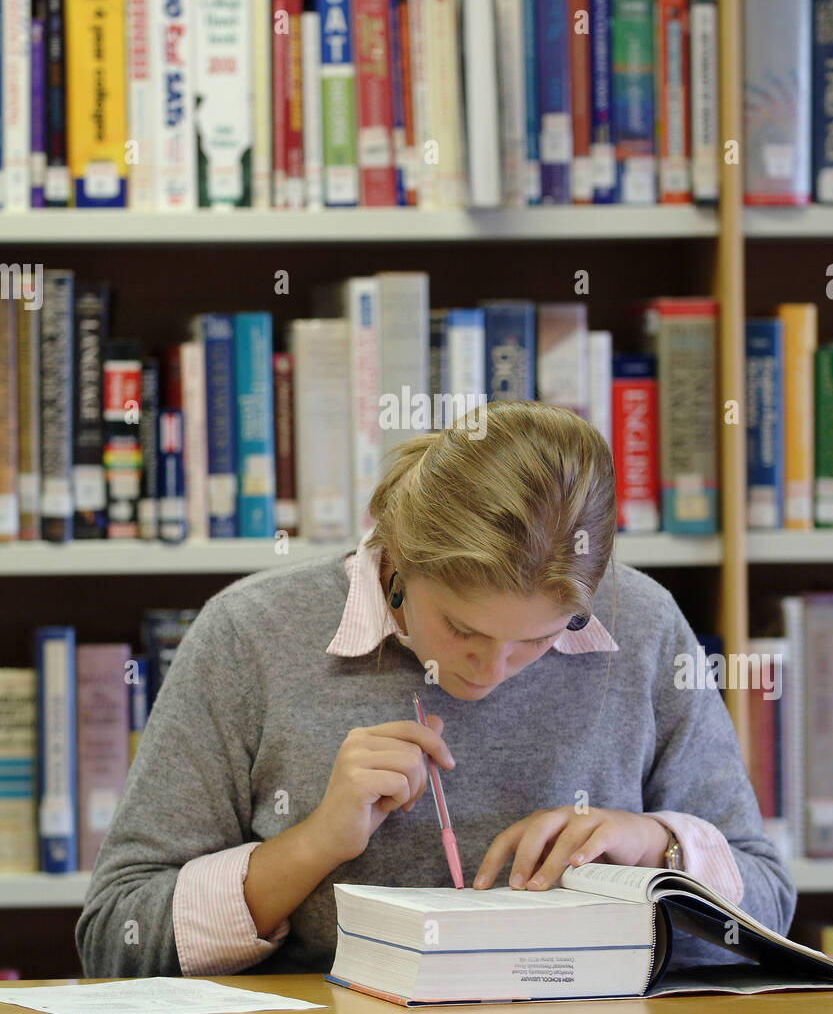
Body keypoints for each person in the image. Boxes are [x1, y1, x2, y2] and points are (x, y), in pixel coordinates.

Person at [76, 401, 795, 979]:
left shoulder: (639, 624)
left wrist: (653, 848)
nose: (487, 671)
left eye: (538, 641)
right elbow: (116, 936)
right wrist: (315, 843)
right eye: (460, 629)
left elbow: (768, 906)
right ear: (396, 557)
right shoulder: (250, 634)